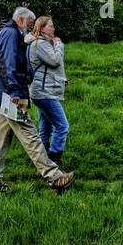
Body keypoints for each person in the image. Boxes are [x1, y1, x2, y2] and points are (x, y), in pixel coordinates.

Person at [0, 7, 75, 193]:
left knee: (0, 140)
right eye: (30, 23)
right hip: (12, 95)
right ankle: (54, 176)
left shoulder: (4, 32)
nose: (31, 26)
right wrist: (14, 92)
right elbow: (9, 64)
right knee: (30, 135)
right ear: (21, 20)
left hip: (6, 94)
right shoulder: (10, 34)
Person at [28, 15, 69, 167]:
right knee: (62, 126)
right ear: (42, 28)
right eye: (50, 26)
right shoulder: (40, 44)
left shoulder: (42, 43)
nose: (54, 29)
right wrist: (59, 45)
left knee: (46, 129)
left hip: (42, 90)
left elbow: (47, 69)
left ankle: (42, 160)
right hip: (44, 93)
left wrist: (62, 80)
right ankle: (53, 159)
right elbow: (55, 60)